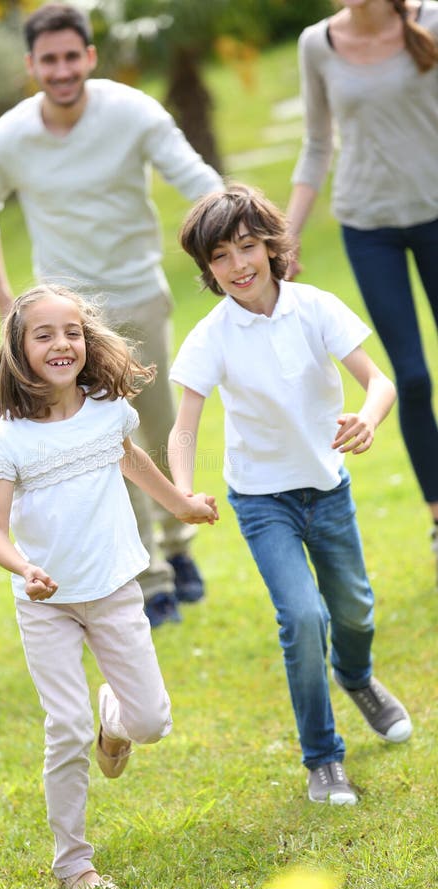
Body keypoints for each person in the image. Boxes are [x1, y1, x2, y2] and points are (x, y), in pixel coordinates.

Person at [0, 2, 225, 626]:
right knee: (108, 444)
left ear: (90, 57)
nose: (61, 69)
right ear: (32, 65)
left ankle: (176, 547)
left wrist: (234, 244)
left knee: (155, 434)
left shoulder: (132, 113)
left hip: (138, 297)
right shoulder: (10, 137)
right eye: (48, 60)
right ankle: (150, 575)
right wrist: (6, 299)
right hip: (66, 327)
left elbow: (198, 180)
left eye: (71, 56)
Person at [168, 184, 413, 805]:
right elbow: (185, 427)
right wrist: (183, 493)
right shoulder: (211, 336)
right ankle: (323, 758)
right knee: (303, 619)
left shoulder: (314, 308)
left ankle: (356, 677)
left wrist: (368, 417)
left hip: (327, 489)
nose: (237, 266)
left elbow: (379, 381)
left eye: (247, 247)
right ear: (207, 269)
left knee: (354, 610)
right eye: (219, 257)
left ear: (272, 247)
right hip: (261, 500)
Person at [0, 283, 217, 889]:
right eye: (44, 334)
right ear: (19, 349)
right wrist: (24, 569)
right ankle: (73, 862)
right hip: (46, 604)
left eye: (72, 332)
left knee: (152, 722)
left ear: (88, 340)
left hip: (111, 590)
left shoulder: (109, 412)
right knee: (66, 727)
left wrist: (180, 505)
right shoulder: (8, 438)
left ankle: (116, 716)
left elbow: (131, 459)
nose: (62, 344)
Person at [285, 0, 438, 584]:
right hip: (367, 223)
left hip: (435, 213)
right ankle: (436, 516)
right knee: (413, 377)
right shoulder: (316, 43)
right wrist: (287, 236)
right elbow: (317, 144)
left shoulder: (430, 20)